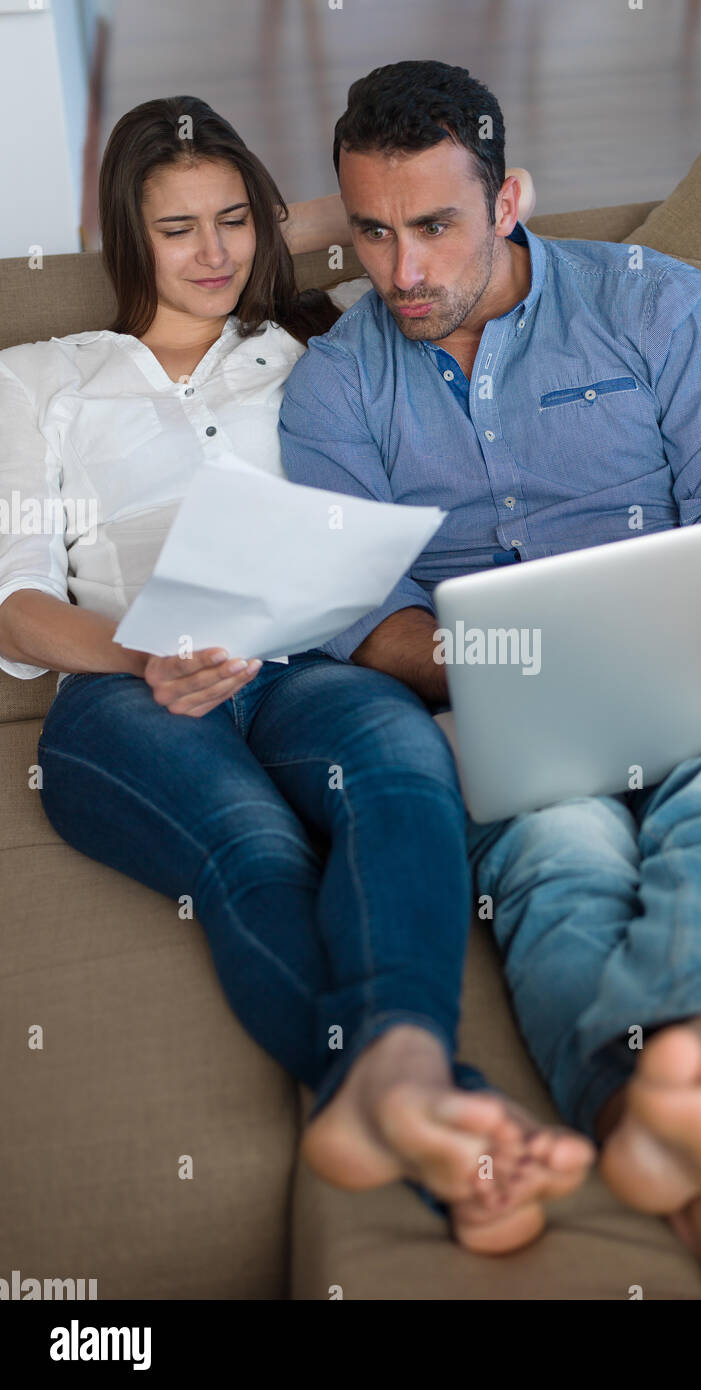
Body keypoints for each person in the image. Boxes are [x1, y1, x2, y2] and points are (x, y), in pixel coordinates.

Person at [279, 59, 701, 1300]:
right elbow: (352, 609)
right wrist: (491, 657)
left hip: (700, 672)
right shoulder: (338, 377)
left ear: (510, 203)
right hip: (502, 702)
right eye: (373, 234)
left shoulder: (654, 306)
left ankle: (684, 1088)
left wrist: (662, 637)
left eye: (436, 226)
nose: (405, 275)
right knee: (563, 854)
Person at [0, 94, 596, 1256]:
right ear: (126, 238)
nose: (214, 254)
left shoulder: (312, 341)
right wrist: (141, 654)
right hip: (119, 692)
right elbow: (13, 598)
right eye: (176, 230)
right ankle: (436, 1098)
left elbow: (438, 211)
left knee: (402, 767)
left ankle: (403, 1090)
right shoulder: (41, 377)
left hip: (296, 663)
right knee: (256, 847)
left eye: (237, 221)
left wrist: (267, 225)